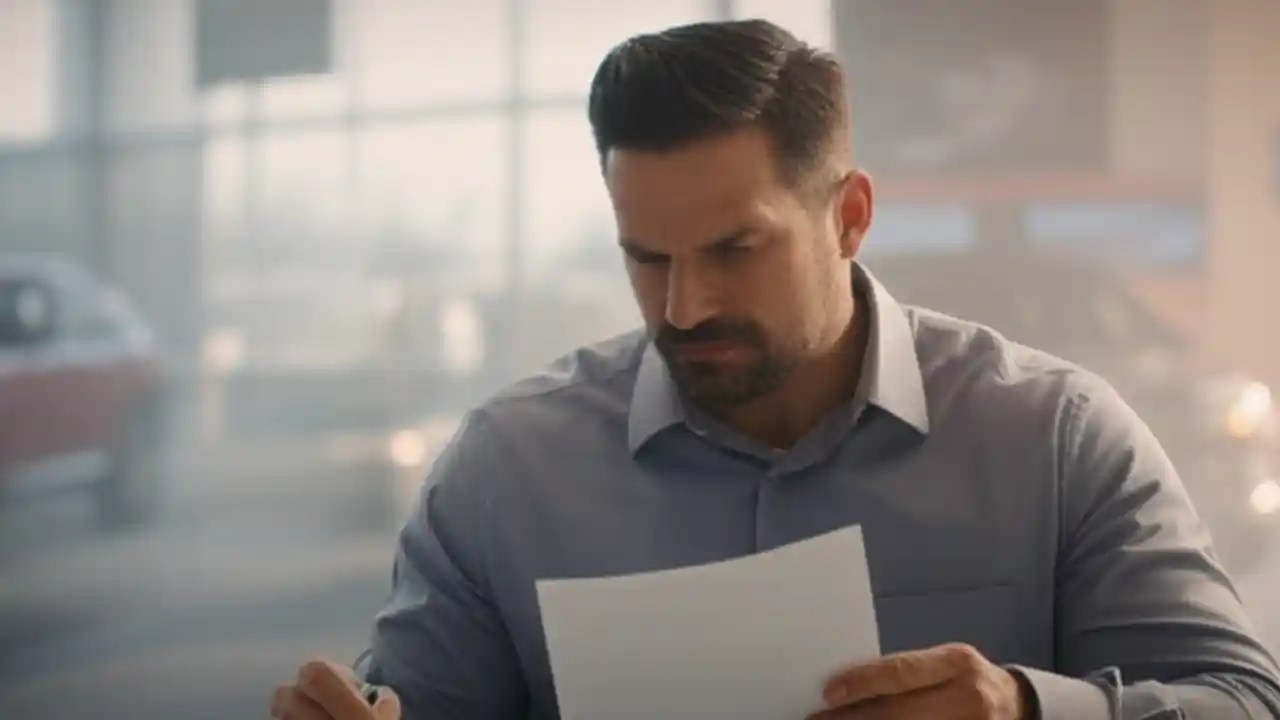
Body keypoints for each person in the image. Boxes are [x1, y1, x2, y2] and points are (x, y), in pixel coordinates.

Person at [269, 19, 1280, 720]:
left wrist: (1025, 709)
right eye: (646, 259)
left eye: (734, 250)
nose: (684, 307)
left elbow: (1240, 702)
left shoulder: (1054, 439)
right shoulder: (507, 471)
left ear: (849, 216)